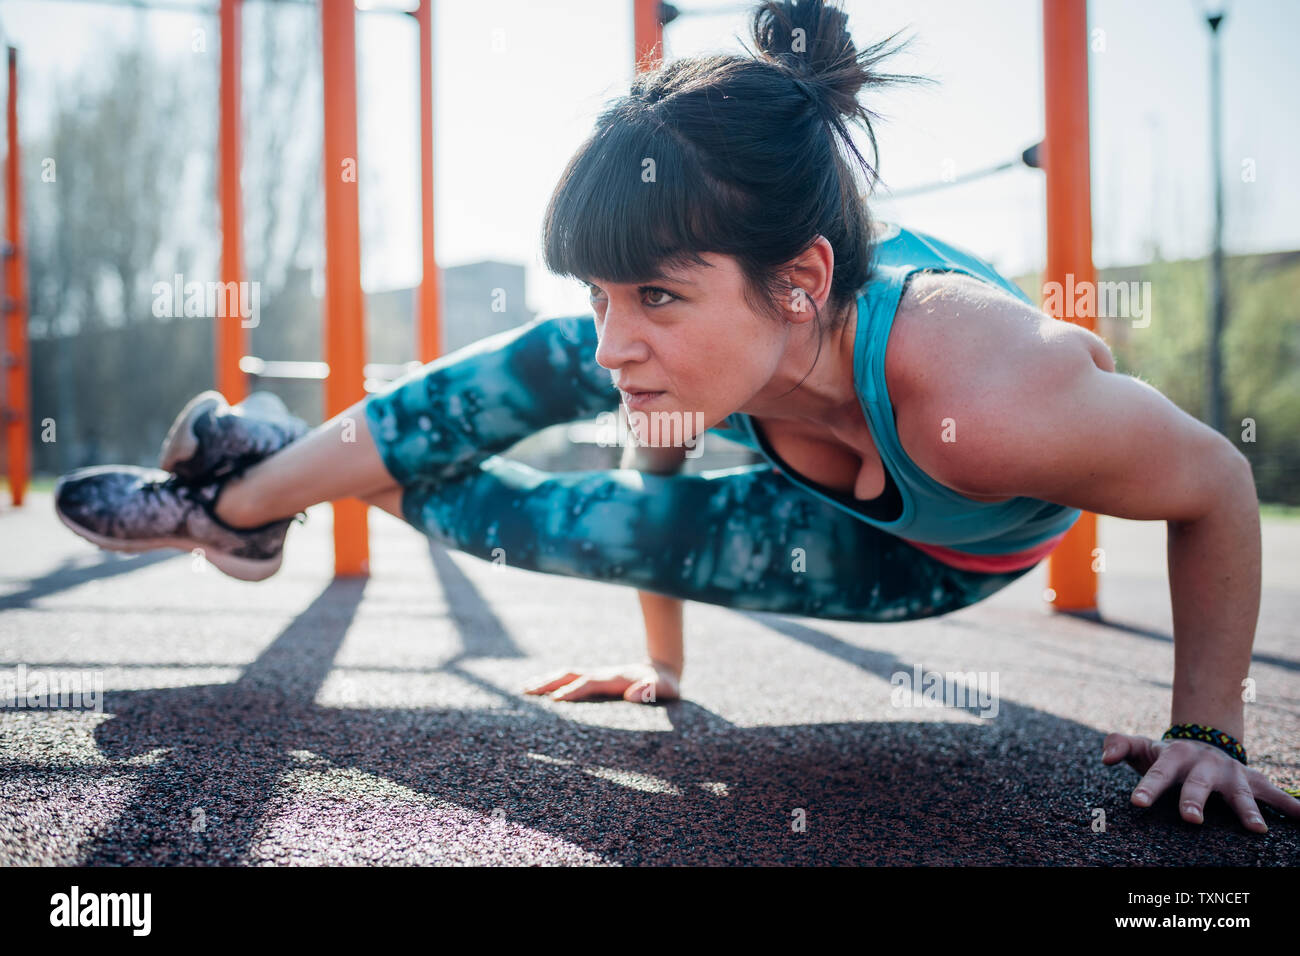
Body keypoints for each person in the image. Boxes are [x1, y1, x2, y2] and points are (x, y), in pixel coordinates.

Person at [52, 0, 1298, 833]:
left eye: (651, 293)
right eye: (603, 291)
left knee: (561, 461)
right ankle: (243, 505)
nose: (613, 335)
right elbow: (649, 501)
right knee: (545, 391)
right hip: (765, 387)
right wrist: (665, 664)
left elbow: (1214, 485)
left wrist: (1207, 726)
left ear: (802, 280)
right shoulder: (687, 340)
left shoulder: (995, 390)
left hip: (928, 549)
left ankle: (251, 481)